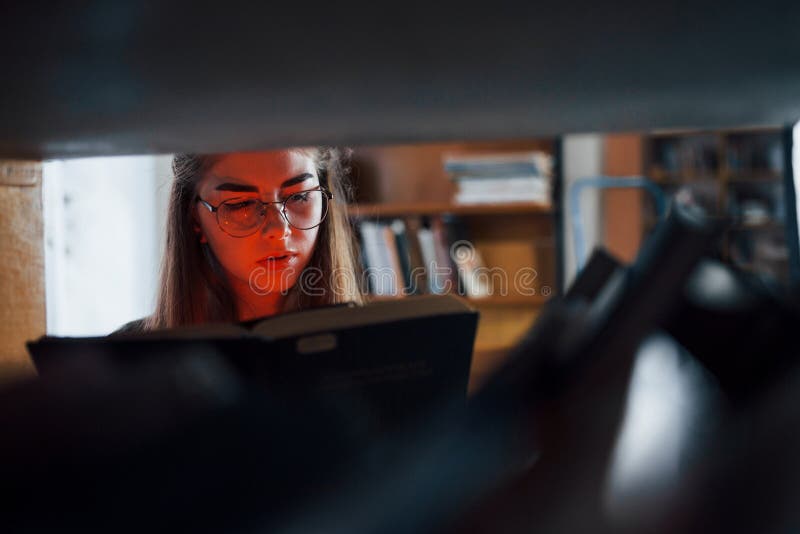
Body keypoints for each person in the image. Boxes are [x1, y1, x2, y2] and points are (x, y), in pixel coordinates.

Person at [112, 147, 364, 334]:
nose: (279, 229)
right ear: (194, 218)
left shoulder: (364, 343)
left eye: (299, 196)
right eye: (241, 204)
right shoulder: (132, 359)